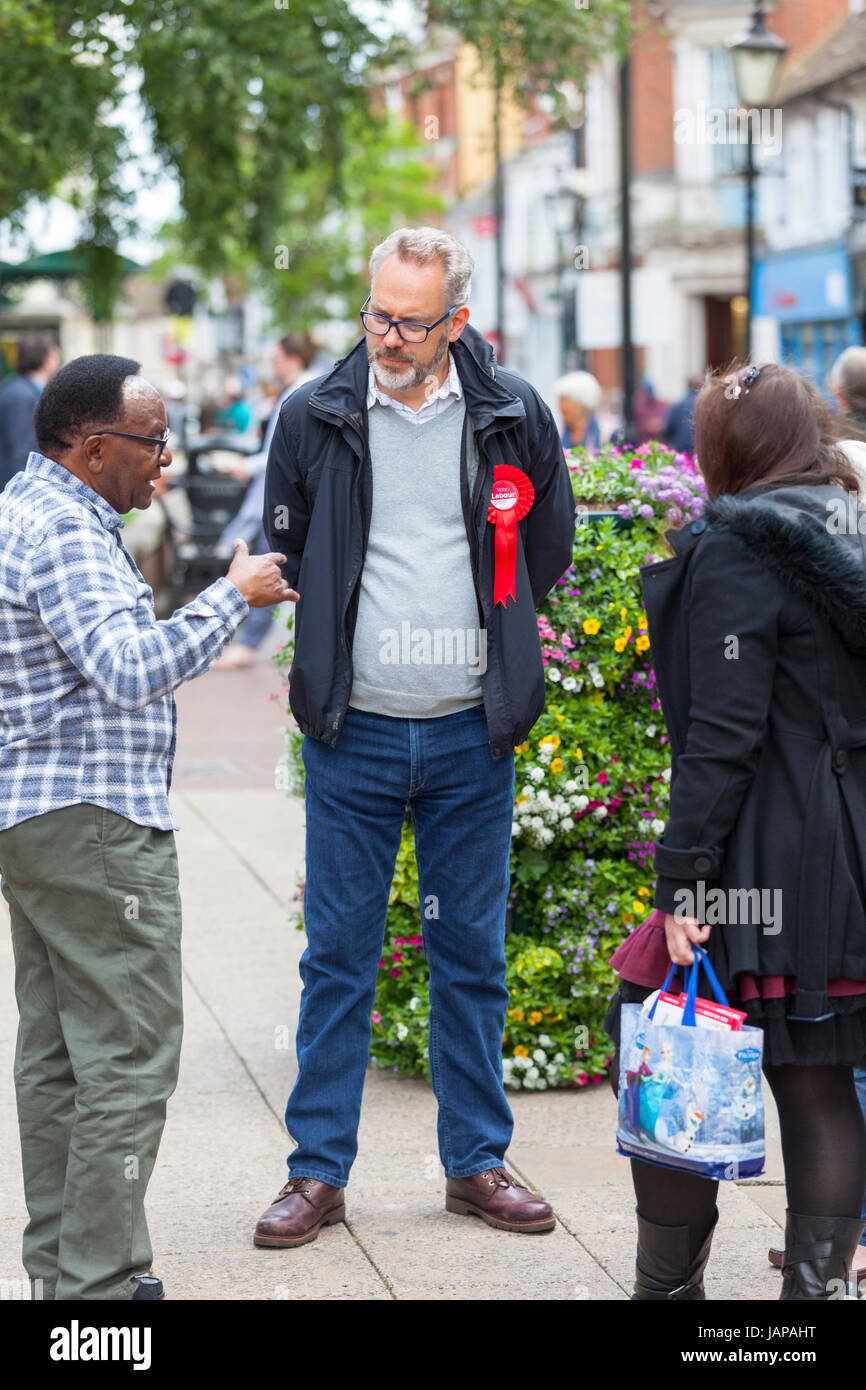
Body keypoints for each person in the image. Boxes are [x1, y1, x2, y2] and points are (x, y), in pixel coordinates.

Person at [254, 225, 575, 1247]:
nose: (386, 335)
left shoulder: (511, 410)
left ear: (457, 321)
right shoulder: (315, 412)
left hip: (469, 736)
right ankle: (316, 1173)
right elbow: (289, 541)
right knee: (338, 958)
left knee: (469, 954)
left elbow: (549, 545)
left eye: (409, 320)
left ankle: (475, 1162)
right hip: (353, 734)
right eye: (376, 313)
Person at [0, 354, 295, 1300]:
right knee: (127, 1056)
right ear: (92, 449)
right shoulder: (68, 532)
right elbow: (127, 668)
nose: (163, 466)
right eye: (150, 447)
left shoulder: (29, 505)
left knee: (58, 1060)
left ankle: (65, 1275)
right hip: (90, 824)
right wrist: (230, 598)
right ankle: (99, 1289)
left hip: (39, 818)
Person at [603, 361, 866, 1301]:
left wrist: (683, 880)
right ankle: (816, 1299)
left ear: (723, 452)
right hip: (849, 851)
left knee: (660, 1018)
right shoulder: (854, 521)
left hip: (764, 849)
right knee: (818, 1071)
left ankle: (667, 1295)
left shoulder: (738, 543)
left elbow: (723, 736)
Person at [214, 334, 319, 669]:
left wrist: (249, 465)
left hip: (280, 498)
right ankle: (250, 641)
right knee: (271, 562)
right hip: (280, 495)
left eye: (275, 356)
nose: (272, 363)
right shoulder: (297, 390)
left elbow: (281, 451)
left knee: (268, 562)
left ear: (291, 357)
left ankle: (249, 644)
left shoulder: (297, 393)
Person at [0, 332, 60, 490]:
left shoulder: (23, 389)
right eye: (55, 354)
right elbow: (21, 454)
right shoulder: (21, 395)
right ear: (46, 361)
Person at [556, 370, 602, 453]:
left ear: (582, 402)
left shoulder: (605, 433)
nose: (559, 406)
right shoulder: (557, 432)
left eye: (564, 400)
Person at [663, 373, 703, 456]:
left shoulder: (679, 404)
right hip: (700, 452)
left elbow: (668, 428)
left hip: (682, 451)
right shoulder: (705, 405)